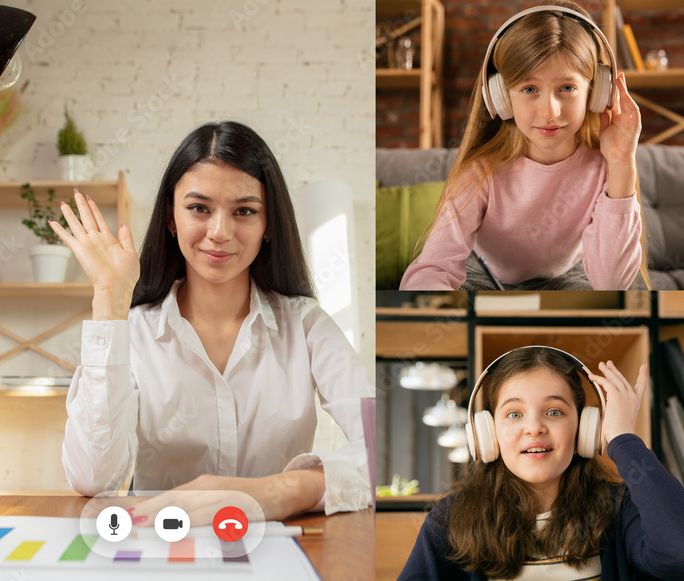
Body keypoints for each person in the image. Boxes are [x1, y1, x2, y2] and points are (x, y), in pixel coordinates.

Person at [50, 120, 373, 525]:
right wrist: (109, 301)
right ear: (171, 218)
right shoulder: (133, 331)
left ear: (268, 223)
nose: (219, 232)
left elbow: (380, 453)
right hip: (162, 548)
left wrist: (280, 491)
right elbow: (93, 480)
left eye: (244, 211)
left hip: (274, 551)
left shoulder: (307, 326)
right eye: (199, 208)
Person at [400, 2, 644, 291]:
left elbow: (612, 285)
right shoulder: (481, 171)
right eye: (530, 89)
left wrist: (621, 162)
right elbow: (432, 270)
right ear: (502, 98)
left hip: (564, 275)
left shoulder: (604, 168)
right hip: (483, 273)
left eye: (567, 88)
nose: (550, 112)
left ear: (597, 92)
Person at [399, 346, 684, 580]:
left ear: (586, 429)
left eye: (554, 411)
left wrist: (624, 439)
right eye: (514, 414)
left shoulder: (620, 510)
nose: (534, 427)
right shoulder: (451, 520)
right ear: (487, 433)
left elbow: (678, 553)